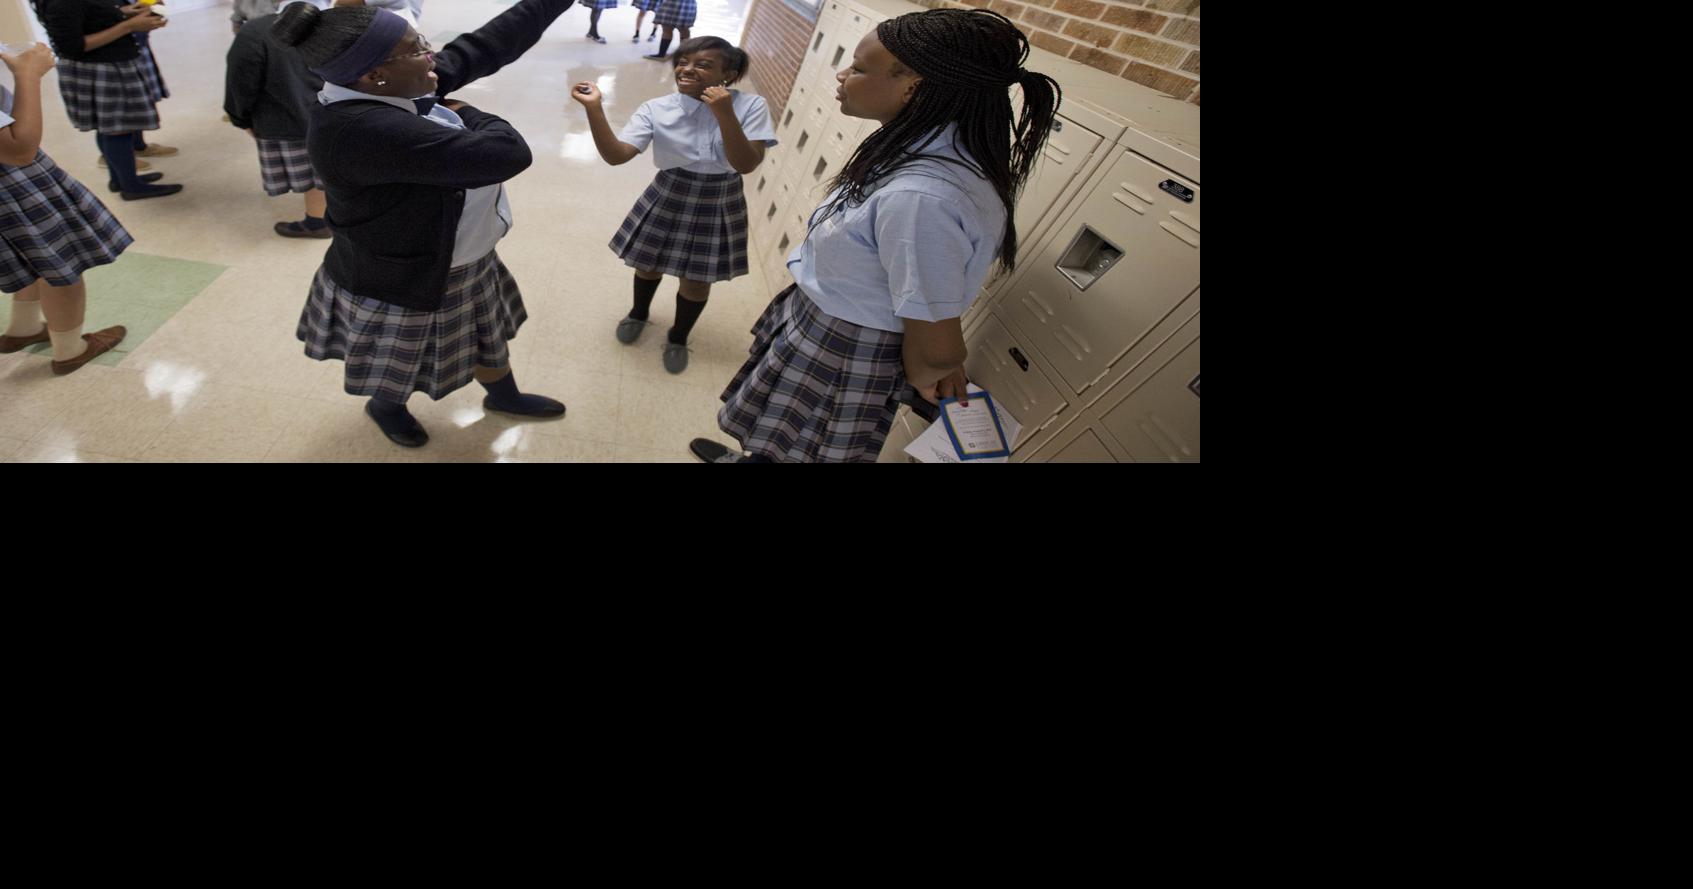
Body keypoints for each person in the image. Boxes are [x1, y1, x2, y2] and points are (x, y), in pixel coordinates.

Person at [690, 9, 1061, 463]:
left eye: (860, 68)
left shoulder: (924, 198)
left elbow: (938, 340)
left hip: (844, 351)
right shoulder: (917, 152)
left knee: (798, 452)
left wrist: (936, 366)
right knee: (777, 444)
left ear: (913, 86)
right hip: (823, 323)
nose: (843, 75)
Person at [278, 0, 579, 448]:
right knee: (398, 358)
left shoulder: (384, 84)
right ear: (376, 73)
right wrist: (467, 112)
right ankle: (385, 406)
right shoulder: (360, 128)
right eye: (417, 49)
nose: (431, 53)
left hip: (459, 254)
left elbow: (484, 46)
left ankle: (503, 395)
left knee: (484, 332)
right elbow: (506, 154)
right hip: (402, 274)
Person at [572, 36, 774, 374]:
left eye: (703, 64)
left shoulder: (752, 107)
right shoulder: (657, 108)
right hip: (669, 191)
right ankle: (638, 313)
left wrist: (724, 113)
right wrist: (595, 109)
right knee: (648, 264)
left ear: (729, 74)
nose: (687, 69)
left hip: (719, 197)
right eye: (683, 61)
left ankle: (679, 337)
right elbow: (616, 156)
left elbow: (746, 164)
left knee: (697, 279)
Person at [0, 43, 131, 375]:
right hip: (12, 182)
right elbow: (19, 148)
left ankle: (24, 328)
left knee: (31, 256)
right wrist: (27, 74)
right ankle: (71, 349)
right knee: (60, 263)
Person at [35, 0, 182, 199]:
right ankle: (131, 187)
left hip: (109, 63)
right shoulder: (62, 3)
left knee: (111, 128)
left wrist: (125, 13)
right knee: (117, 130)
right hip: (98, 68)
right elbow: (72, 46)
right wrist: (129, 26)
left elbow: (91, 15)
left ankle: (120, 179)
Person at [224, 6, 329, 237]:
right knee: (331, 168)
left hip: (289, 117)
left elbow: (240, 80)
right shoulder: (344, 21)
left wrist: (239, 117)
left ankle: (317, 221)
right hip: (346, 114)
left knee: (314, 172)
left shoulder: (258, 31)